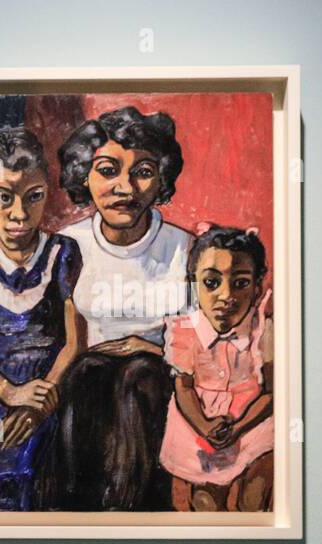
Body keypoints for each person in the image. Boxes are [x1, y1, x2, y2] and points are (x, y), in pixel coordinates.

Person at [39, 106, 192, 511]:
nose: (125, 186)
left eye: (142, 171)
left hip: (160, 383)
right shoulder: (66, 246)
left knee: (137, 376)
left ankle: (129, 514)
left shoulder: (184, 249)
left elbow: (201, 340)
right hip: (87, 387)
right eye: (108, 170)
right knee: (91, 375)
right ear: (83, 176)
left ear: (160, 179)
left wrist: (148, 347)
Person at [0, 127, 84, 510]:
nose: (19, 214)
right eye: (4, 198)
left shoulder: (63, 253)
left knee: (48, 467)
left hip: (51, 388)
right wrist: (10, 393)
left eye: (33, 198)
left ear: (47, 194)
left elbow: (75, 342)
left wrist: (40, 397)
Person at [159, 225, 274, 511]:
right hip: (201, 421)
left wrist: (238, 427)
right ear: (193, 285)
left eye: (241, 283)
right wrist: (205, 426)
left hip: (253, 422)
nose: (226, 296)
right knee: (206, 500)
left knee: (256, 493)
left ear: (258, 287)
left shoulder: (265, 330)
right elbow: (183, 389)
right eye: (211, 283)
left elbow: (273, 393)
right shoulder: (184, 330)